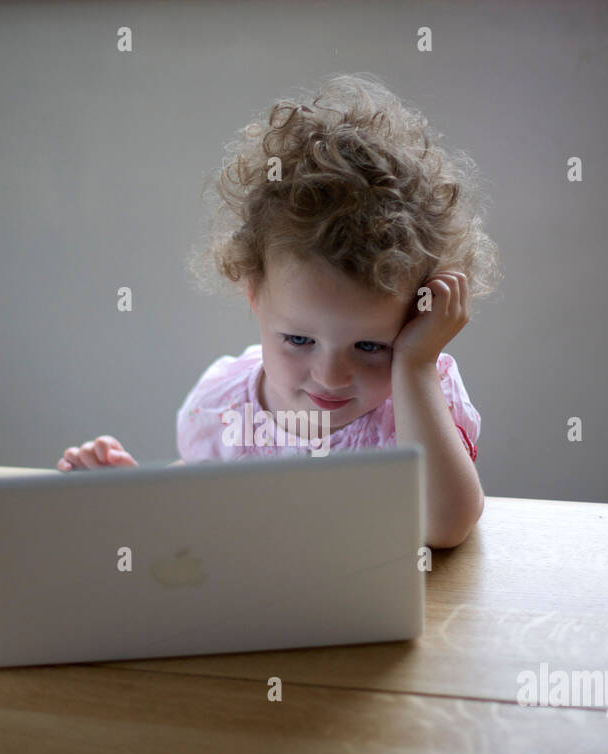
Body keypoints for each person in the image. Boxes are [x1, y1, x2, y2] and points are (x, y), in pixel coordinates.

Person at [60, 73, 502, 548]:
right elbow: (200, 499)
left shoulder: (413, 403)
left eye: (373, 346)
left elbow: (445, 526)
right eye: (299, 340)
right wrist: (134, 495)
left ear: (417, 326)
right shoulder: (223, 404)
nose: (331, 376)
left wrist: (415, 366)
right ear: (255, 296)